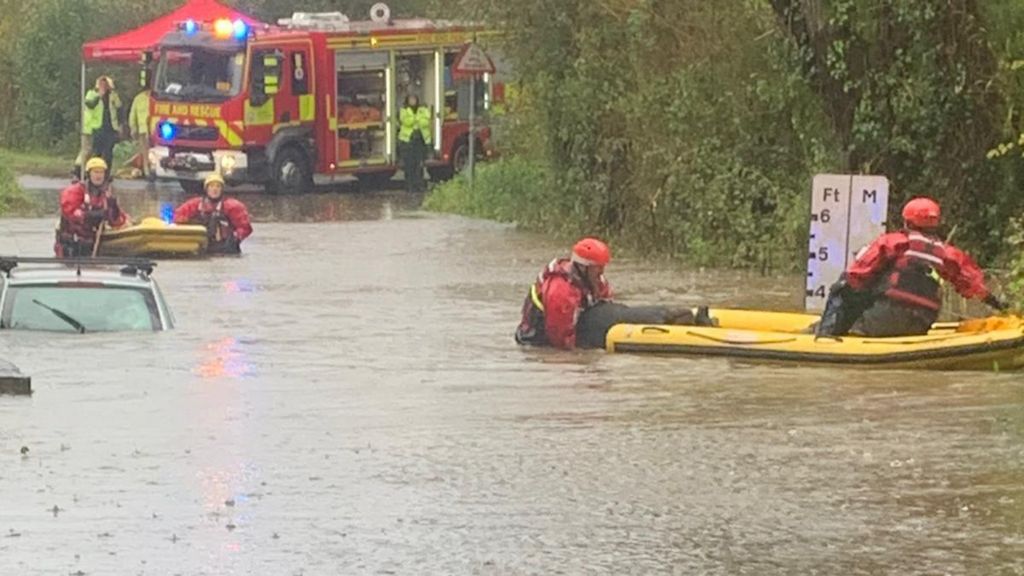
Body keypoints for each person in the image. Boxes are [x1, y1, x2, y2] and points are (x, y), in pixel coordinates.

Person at [815, 197, 1008, 338]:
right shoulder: (948, 254)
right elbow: (976, 287)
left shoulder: (892, 242)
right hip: (921, 324)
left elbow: (855, 277)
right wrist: (999, 306)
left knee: (842, 286)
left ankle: (825, 334)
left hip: (883, 320)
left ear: (907, 221)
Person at [515, 237, 713, 350]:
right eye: (598, 268)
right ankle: (671, 319)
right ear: (584, 268)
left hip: (583, 321)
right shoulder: (562, 291)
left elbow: (606, 302)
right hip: (544, 340)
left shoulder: (594, 279)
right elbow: (560, 339)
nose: (602, 272)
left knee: (620, 313)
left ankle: (677, 316)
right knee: (616, 318)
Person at [55, 157, 129, 258]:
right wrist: (95, 215)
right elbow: (71, 214)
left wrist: (113, 207)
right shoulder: (74, 191)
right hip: (71, 245)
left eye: (101, 172)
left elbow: (118, 222)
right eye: (95, 172)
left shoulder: (106, 195)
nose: (98, 176)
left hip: (91, 245)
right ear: (88, 174)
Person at [173, 174, 253, 254]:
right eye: (211, 186)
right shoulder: (195, 204)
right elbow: (178, 217)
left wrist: (236, 237)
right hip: (203, 246)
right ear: (206, 189)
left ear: (222, 189)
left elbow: (245, 227)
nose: (215, 189)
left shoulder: (233, 206)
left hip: (226, 247)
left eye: (218, 186)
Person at [82, 76, 123, 174]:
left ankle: (107, 173)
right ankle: (92, 171)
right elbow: (90, 105)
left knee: (108, 153)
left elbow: (120, 109)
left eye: (106, 85)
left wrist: (121, 125)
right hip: (97, 127)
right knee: (96, 152)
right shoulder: (92, 94)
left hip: (110, 128)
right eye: (101, 84)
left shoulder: (113, 95)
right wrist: (99, 96)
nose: (104, 86)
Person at [398, 94, 432, 193]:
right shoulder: (404, 110)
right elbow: (405, 121)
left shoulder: (423, 109)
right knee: (409, 166)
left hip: (420, 141)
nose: (413, 101)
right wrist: (417, 119)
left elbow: (426, 122)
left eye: (414, 99)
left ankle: (418, 186)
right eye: (410, 99)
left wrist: (414, 120)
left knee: (419, 165)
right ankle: (409, 186)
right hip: (407, 142)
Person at [129, 73, 152, 180]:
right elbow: (132, 114)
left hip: (155, 129)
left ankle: (151, 169)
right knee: (145, 151)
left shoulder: (155, 98)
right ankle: (146, 171)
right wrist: (133, 128)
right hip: (143, 130)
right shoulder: (138, 98)